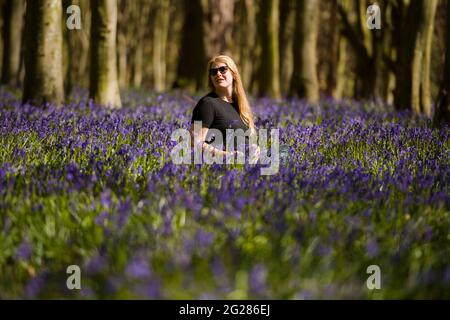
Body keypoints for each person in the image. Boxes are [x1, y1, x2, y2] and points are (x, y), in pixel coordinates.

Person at [190, 55, 260, 161]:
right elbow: (194, 142)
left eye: (223, 69)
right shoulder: (207, 104)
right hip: (222, 171)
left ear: (233, 74)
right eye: (213, 72)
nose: (218, 73)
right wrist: (226, 156)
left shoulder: (240, 107)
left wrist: (256, 149)